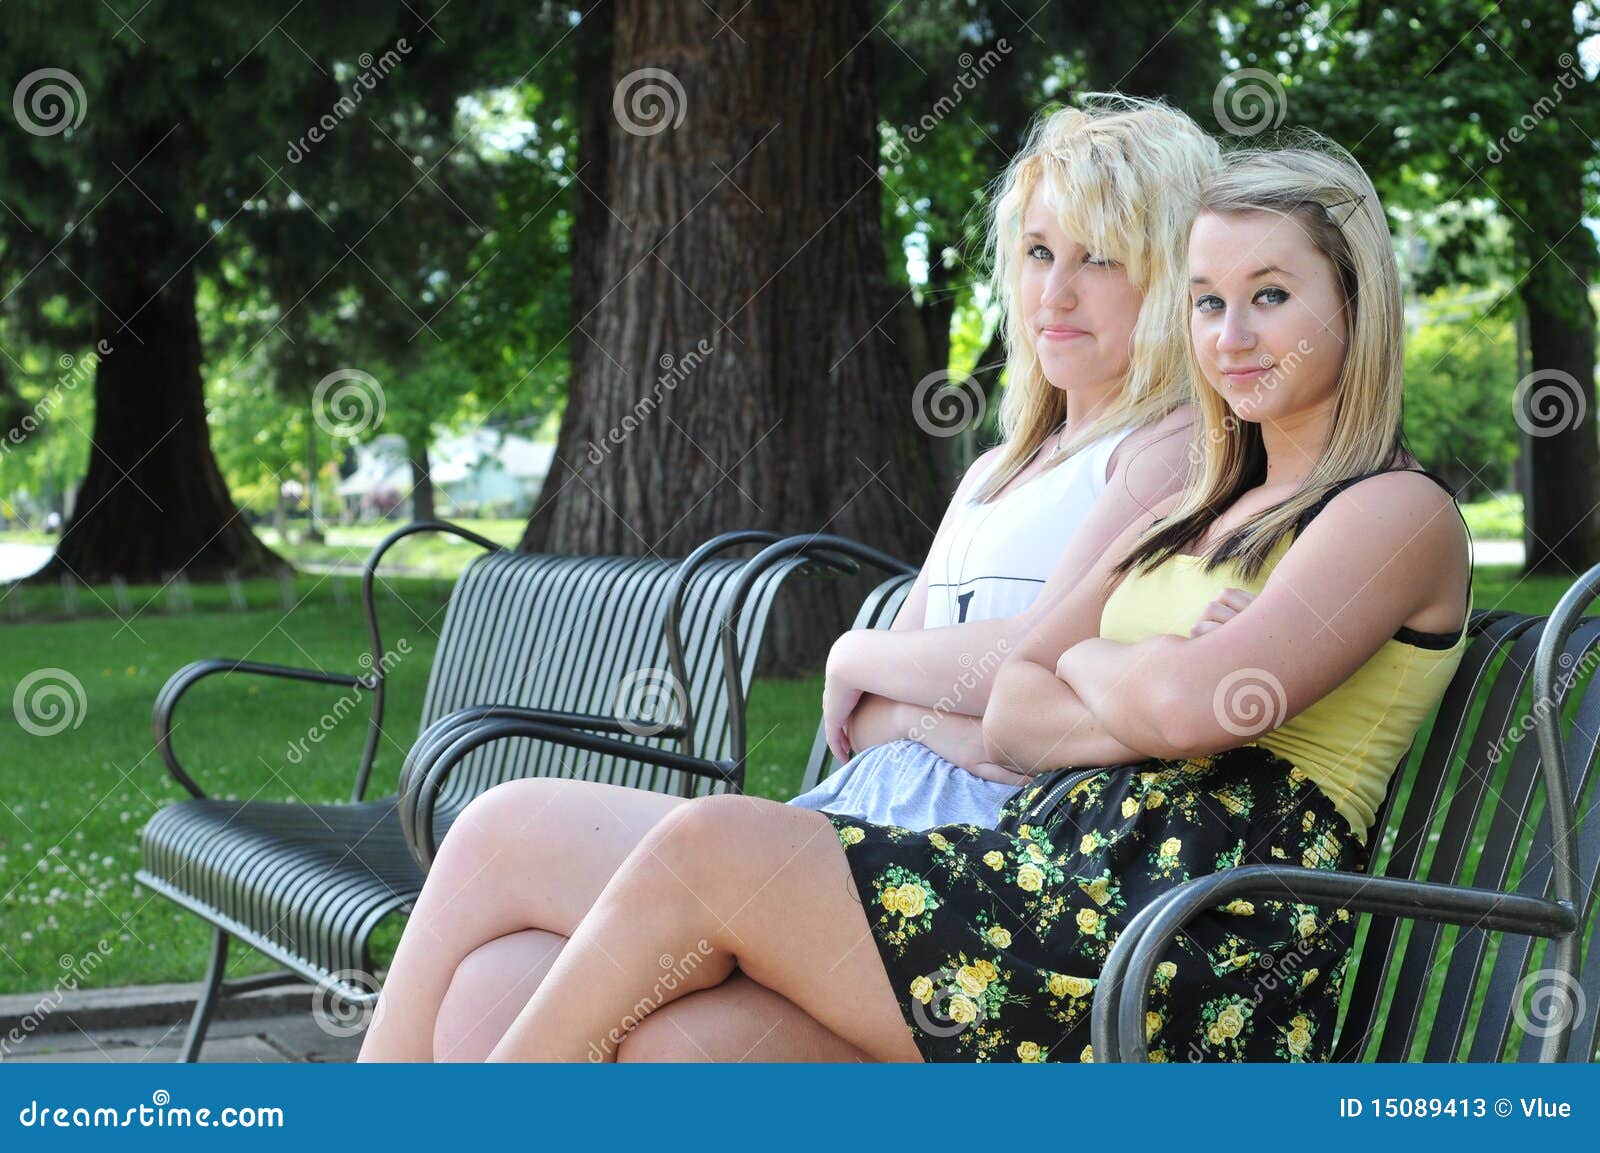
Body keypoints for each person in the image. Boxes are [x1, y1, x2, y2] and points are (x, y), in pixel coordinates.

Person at [443, 141, 1473, 1064]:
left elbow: (1191, 709)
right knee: (676, 1044)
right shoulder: (1196, 504)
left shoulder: (1392, 511)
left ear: (1353, 300)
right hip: (1039, 881)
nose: (1232, 334)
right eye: (1207, 300)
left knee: (712, 849)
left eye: (1270, 295)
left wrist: (1113, 672)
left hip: (1179, 945)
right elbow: (1020, 706)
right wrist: (1144, 671)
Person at [355, 94, 1217, 1063]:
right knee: (492, 932)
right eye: (1037, 252)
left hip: (976, 875)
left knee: (645, 1013)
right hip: (858, 818)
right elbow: (882, 714)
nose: (1055, 292)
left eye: (1099, 259)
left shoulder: (1167, 451)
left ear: (1176, 273)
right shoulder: (995, 471)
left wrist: (862, 651)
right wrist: (917, 693)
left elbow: (1032, 676)